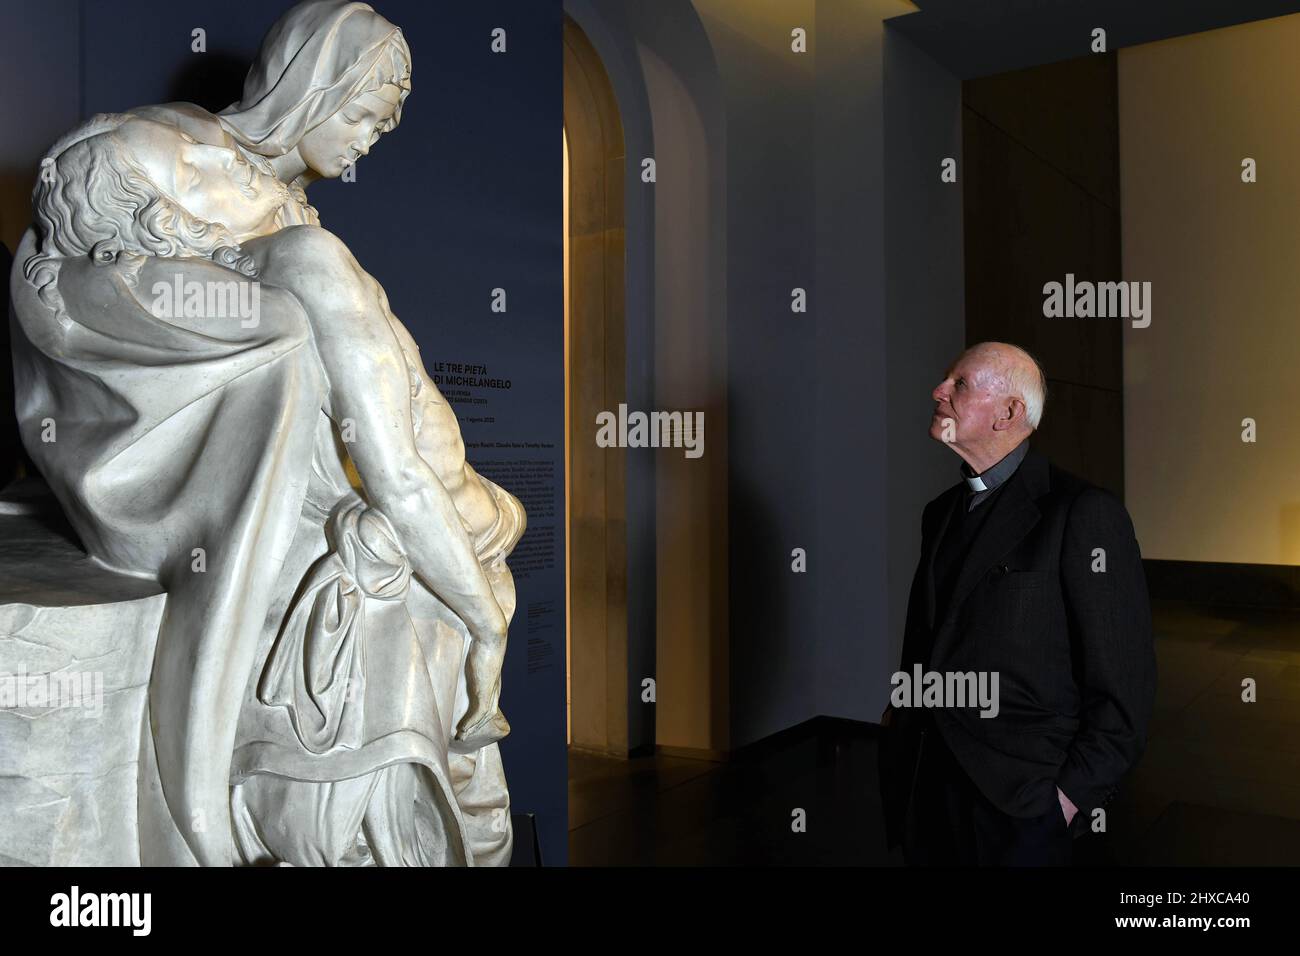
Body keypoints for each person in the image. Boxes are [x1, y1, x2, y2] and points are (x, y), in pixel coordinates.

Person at [878, 342, 1156, 866]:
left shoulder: (1084, 514)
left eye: (959, 384)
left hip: (1020, 803)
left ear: (1009, 412)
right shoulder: (939, 513)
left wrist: (1066, 800)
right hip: (926, 786)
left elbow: (1124, 686)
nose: (939, 391)